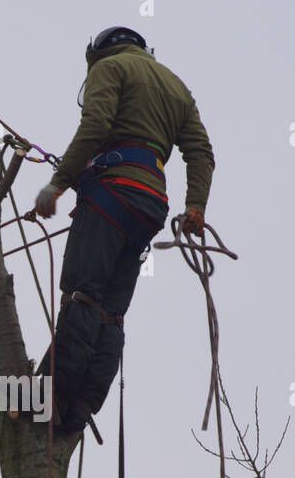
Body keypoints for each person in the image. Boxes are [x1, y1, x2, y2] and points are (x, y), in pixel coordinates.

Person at [33, 26, 215, 433]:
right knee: (111, 314)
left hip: (112, 194)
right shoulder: (177, 87)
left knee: (82, 293)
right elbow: (200, 152)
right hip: (150, 206)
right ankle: (80, 409)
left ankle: (45, 400)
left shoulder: (109, 68)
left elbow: (95, 125)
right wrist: (196, 207)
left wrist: (57, 183)